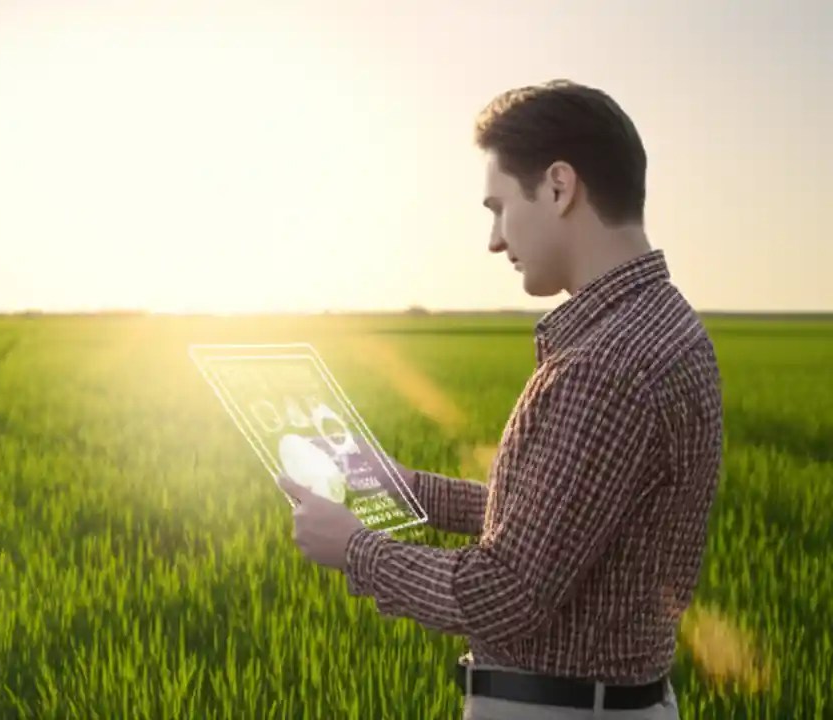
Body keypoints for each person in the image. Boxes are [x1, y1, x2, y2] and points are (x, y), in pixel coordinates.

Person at [277, 79, 724, 719]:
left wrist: (354, 548)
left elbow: (508, 591)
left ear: (559, 187)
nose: (492, 239)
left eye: (498, 207)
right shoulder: (664, 326)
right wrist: (407, 490)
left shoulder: (603, 365)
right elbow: (567, 518)